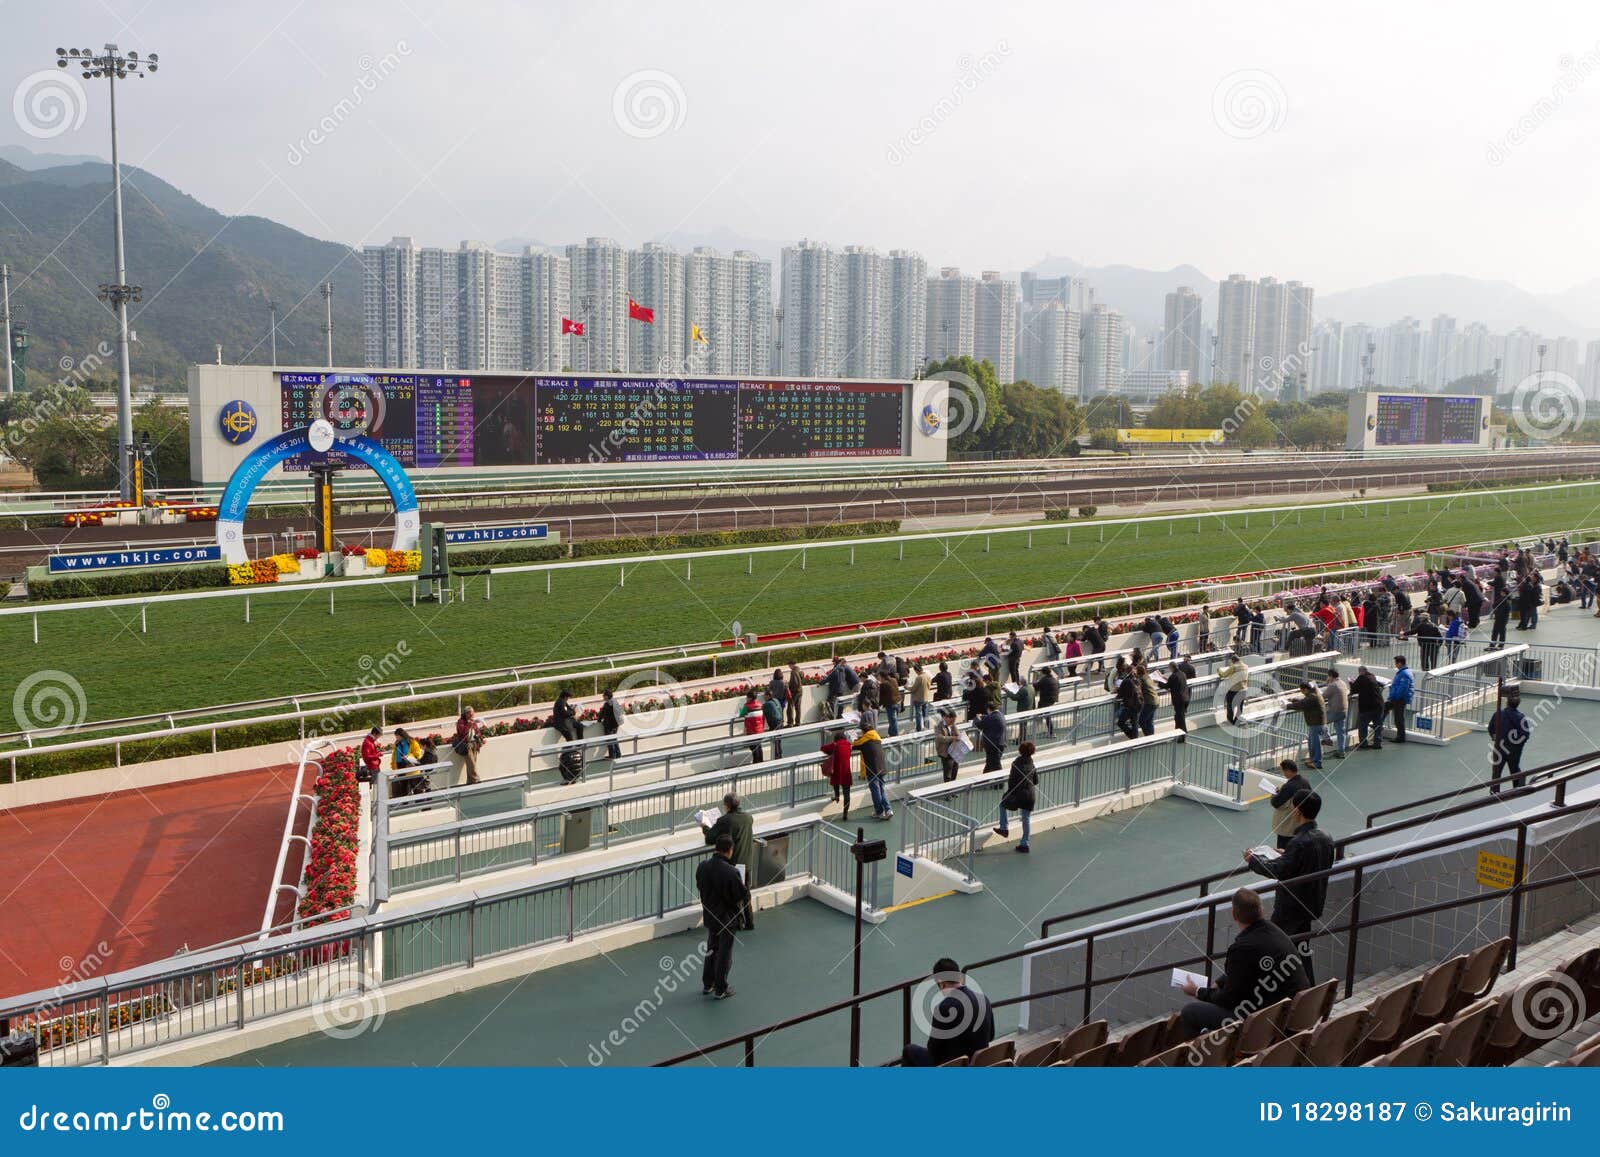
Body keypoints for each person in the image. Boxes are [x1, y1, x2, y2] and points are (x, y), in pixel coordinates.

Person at [1177, 888, 1307, 1038]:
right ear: (1261, 910)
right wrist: (1219, 982)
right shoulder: (1275, 931)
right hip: (1294, 1011)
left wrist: (1198, 991)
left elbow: (1228, 999)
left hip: (1264, 1022)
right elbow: (1245, 970)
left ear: (1234, 915)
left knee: (1190, 1012)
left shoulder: (1242, 948)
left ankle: (1204, 1050)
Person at [1245, 791, 1335, 983]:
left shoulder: (1299, 843)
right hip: (1311, 905)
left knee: (1270, 947)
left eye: (1293, 806)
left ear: (1298, 811)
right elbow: (1307, 861)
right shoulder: (1326, 838)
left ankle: (1267, 992)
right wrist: (1286, 854)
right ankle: (1309, 990)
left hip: (1290, 908)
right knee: (1300, 951)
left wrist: (1253, 861)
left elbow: (1278, 870)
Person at [900, 959, 995, 1067]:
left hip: (954, 1066)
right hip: (978, 1064)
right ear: (960, 978)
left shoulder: (944, 1008)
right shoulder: (983, 999)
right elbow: (990, 1036)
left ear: (941, 983)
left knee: (909, 1050)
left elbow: (933, 1051)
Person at [695, 833, 749, 999]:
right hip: (727, 919)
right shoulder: (732, 872)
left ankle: (708, 984)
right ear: (730, 850)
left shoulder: (703, 867)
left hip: (710, 916)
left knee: (712, 949)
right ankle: (721, 988)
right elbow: (741, 895)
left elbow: (700, 886)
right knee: (724, 954)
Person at [702, 793, 757, 930]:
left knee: (732, 895)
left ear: (727, 805)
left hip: (732, 865)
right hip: (746, 863)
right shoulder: (748, 817)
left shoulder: (725, 820)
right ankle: (749, 922)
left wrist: (704, 827)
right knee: (745, 893)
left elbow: (710, 838)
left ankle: (738, 922)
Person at [993, 740, 1039, 852]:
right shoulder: (1032, 764)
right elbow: (1036, 781)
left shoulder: (1016, 764)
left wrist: (1009, 794)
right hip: (1030, 796)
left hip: (1019, 794)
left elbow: (1012, 781)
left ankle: (1004, 828)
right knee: (1026, 819)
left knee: (1003, 804)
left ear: (1020, 751)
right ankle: (1025, 844)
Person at [1488, 694, 1531, 793]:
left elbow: (1491, 728)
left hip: (1499, 747)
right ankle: (1518, 791)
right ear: (1518, 704)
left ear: (1507, 702)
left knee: (1496, 772)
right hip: (1514, 750)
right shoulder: (1520, 717)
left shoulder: (1498, 714)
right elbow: (1525, 735)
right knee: (1515, 770)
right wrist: (1517, 745)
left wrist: (1495, 737)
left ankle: (1494, 793)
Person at [1268, 759, 1313, 851]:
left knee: (1283, 849)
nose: (1283, 773)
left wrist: (1274, 795)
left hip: (1287, 827)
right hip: (1300, 823)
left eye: (1283, 771)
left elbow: (1276, 803)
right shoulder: (1305, 782)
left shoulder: (1288, 786)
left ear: (1288, 770)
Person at [1285, 681, 1327, 770]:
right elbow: (1304, 701)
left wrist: (1287, 706)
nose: (1302, 693)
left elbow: (1302, 704)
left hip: (1316, 723)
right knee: (1312, 742)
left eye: (1302, 691)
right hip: (1316, 722)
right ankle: (1313, 759)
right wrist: (1293, 700)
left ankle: (1317, 762)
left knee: (1315, 744)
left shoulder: (1312, 697)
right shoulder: (1313, 694)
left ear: (1305, 689)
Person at [855, 721, 892, 820]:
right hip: (882, 768)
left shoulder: (863, 740)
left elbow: (853, 745)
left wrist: (856, 738)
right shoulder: (877, 738)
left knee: (875, 791)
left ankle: (879, 812)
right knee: (882, 789)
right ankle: (888, 810)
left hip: (872, 770)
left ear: (864, 732)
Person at [822, 730, 854, 818]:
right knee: (847, 793)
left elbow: (823, 748)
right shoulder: (849, 745)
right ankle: (845, 813)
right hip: (846, 771)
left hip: (836, 770)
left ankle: (837, 796)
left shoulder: (835, 745)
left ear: (836, 738)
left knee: (836, 783)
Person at [1386, 656, 1413, 744]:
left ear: (1400, 663)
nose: (1395, 665)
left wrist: (1395, 698)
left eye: (1396, 663)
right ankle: (1378, 724)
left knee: (1399, 718)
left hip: (1399, 699)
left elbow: (1403, 688)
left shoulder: (1404, 674)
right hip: (1397, 698)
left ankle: (1401, 737)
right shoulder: (1403, 672)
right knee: (1386, 708)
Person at [453, 706, 484, 785]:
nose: (472, 715)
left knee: (472, 764)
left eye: (473, 713)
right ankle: (476, 779)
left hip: (474, 744)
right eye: (470, 713)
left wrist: (481, 738)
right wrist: (469, 724)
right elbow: (462, 733)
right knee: (472, 764)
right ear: (466, 714)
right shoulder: (461, 722)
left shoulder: (473, 721)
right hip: (467, 745)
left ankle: (470, 781)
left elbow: (477, 731)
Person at [1322, 670, 1349, 759]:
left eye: (1328, 676)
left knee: (1321, 721)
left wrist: (1328, 684)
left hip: (1335, 710)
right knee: (1340, 732)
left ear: (1330, 676)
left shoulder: (1333, 685)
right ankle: (1341, 751)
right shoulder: (1343, 683)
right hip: (1344, 710)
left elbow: (1323, 696)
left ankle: (1327, 739)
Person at [1216, 651, 1247, 726]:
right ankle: (1236, 721)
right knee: (1240, 707)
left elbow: (1223, 675)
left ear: (1233, 660)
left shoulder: (1234, 667)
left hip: (1233, 690)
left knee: (1230, 706)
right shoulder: (1246, 666)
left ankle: (1230, 722)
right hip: (1243, 690)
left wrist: (1218, 670)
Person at [933, 707, 963, 782]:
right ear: (946, 718)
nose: (953, 722)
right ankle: (948, 787)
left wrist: (959, 736)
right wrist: (953, 738)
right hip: (945, 752)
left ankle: (953, 787)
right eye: (952, 720)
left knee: (955, 770)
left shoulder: (952, 724)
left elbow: (957, 732)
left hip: (954, 751)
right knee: (948, 773)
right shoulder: (939, 725)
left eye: (954, 721)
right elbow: (940, 738)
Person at [738, 689, 766, 763]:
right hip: (760, 730)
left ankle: (756, 762)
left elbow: (741, 714)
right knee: (758, 746)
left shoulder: (747, 706)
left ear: (750, 698)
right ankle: (761, 761)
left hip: (751, 731)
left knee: (753, 747)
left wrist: (741, 710)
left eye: (747, 697)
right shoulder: (760, 705)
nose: (746, 699)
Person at [598, 689, 624, 761]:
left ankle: (612, 755)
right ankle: (618, 754)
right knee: (614, 739)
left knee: (609, 739)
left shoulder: (607, 704)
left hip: (609, 724)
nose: (603, 697)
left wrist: (599, 720)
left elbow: (602, 714)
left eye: (603, 695)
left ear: (606, 696)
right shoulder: (615, 701)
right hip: (616, 723)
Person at [1166, 658, 1191, 732]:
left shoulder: (1173, 676)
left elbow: (1167, 686)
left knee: (1180, 717)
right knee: (1179, 716)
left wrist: (1158, 682)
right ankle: (1178, 731)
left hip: (1178, 700)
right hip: (1185, 698)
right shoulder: (1182, 674)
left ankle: (1183, 733)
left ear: (1172, 667)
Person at [909, 664, 933, 731]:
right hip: (926, 697)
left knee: (918, 715)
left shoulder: (919, 677)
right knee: (926, 714)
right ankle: (927, 727)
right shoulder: (928, 676)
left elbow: (913, 689)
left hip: (918, 698)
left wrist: (907, 688)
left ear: (916, 670)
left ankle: (919, 728)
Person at [762, 690, 784, 758]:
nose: (763, 697)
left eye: (764, 695)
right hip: (781, 722)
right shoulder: (776, 700)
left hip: (774, 724)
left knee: (775, 741)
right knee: (778, 740)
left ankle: (776, 756)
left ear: (768, 696)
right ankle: (780, 755)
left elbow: (762, 715)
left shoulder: (767, 704)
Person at [880, 671, 902, 737]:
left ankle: (895, 735)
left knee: (893, 721)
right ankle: (890, 733)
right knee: (893, 720)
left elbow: (881, 696)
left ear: (882, 677)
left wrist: (879, 705)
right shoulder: (894, 680)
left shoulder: (883, 684)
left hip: (890, 704)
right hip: (898, 701)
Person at [786, 662, 804, 727]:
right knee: (798, 707)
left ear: (791, 665)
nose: (789, 667)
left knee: (790, 708)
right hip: (800, 691)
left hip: (795, 692)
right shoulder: (799, 670)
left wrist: (790, 688)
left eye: (789, 665)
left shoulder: (793, 672)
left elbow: (795, 683)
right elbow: (801, 678)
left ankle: (790, 723)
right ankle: (798, 722)